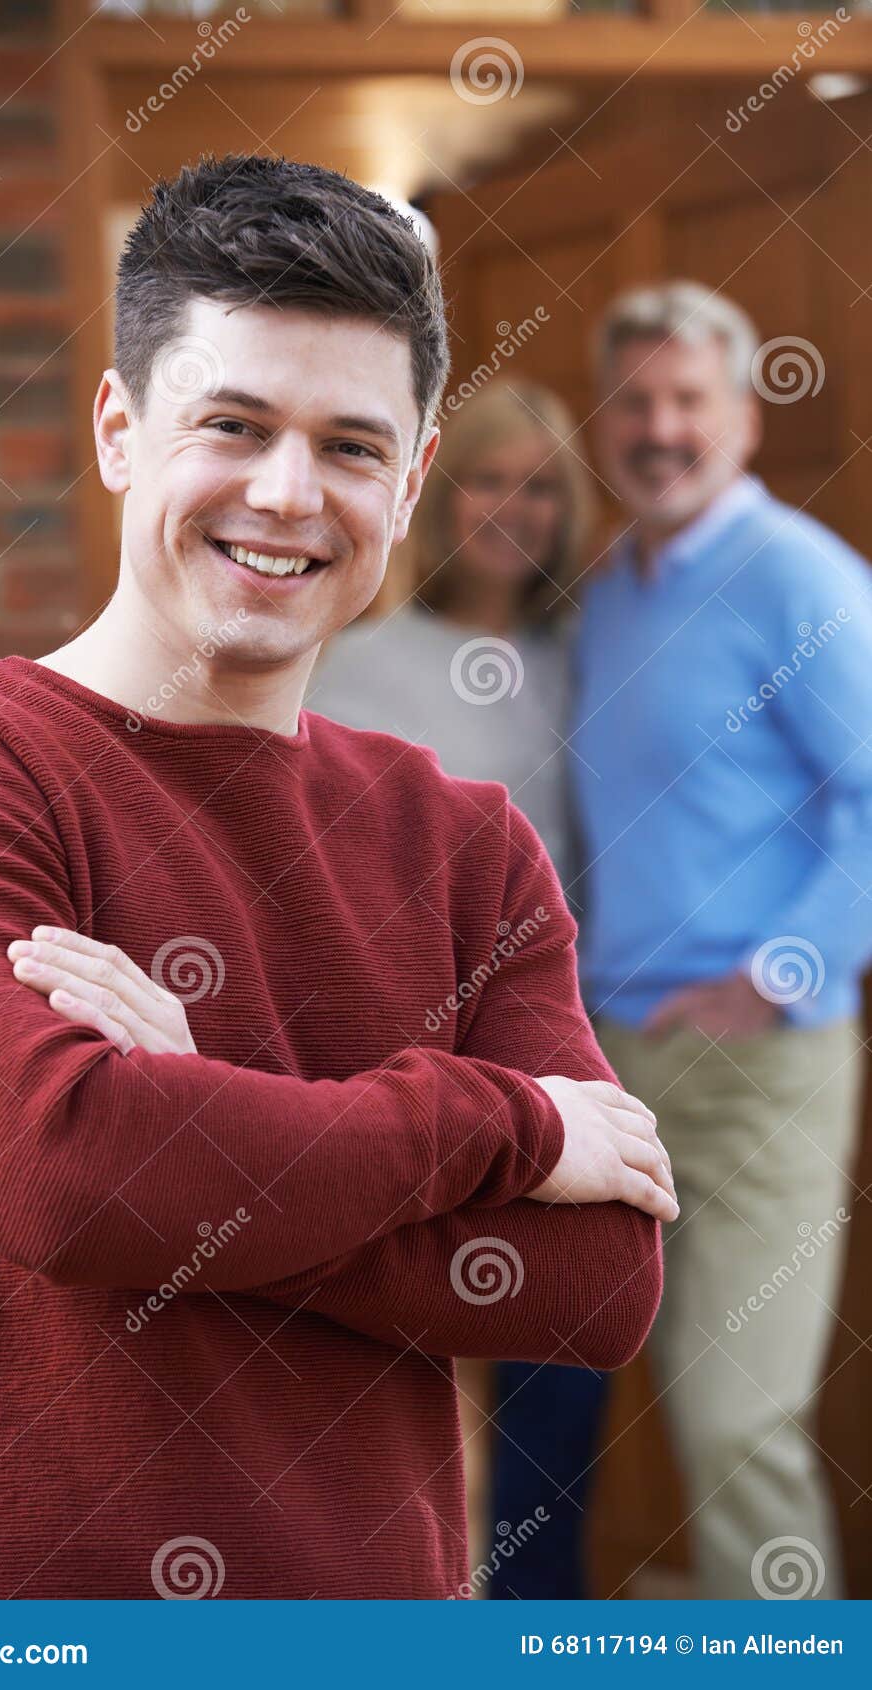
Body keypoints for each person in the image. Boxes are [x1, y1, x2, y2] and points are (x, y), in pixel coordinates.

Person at [0, 156, 674, 1602]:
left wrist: (196, 1111)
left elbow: (594, 1287)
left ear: (409, 476)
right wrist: (505, 1124)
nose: (286, 493)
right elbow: (69, 1176)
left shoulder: (471, 846)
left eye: (349, 444)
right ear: (118, 429)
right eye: (233, 423)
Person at [571, 278, 872, 1599]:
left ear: (744, 416)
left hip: (760, 1064)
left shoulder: (798, 573)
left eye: (689, 398)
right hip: (619, 1053)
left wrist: (781, 972)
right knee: (629, 1387)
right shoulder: (612, 590)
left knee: (736, 1413)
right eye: (635, 400)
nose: (661, 427)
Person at [309, 378, 608, 1599]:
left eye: (541, 486)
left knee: (563, 1363)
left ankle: (534, 1625)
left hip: (565, 1058)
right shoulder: (352, 664)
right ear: (438, 497)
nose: (513, 509)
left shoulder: (588, 662)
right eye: (489, 478)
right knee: (371, 1371)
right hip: (394, 1066)